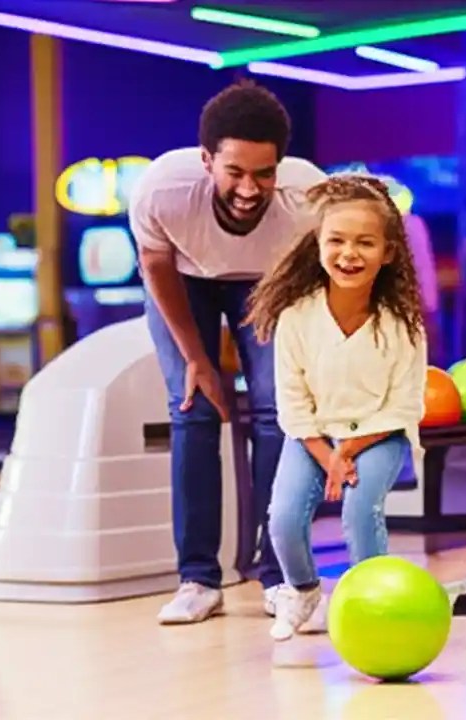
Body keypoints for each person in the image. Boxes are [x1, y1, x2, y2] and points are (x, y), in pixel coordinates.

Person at [130, 79, 327, 625]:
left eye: (264, 173)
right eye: (234, 171)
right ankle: (198, 579)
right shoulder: (162, 190)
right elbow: (157, 268)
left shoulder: (307, 197)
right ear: (206, 159)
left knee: (276, 413)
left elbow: (319, 278)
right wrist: (197, 358)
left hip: (266, 284)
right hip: (185, 280)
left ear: (280, 167)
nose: (249, 188)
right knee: (192, 410)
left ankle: (278, 574)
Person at [243, 174, 427, 640]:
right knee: (283, 519)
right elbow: (291, 401)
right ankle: (303, 591)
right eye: (337, 241)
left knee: (360, 509)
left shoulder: (401, 324)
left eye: (365, 243)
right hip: (311, 436)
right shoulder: (297, 317)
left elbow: (404, 404)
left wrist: (350, 450)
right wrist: (327, 453)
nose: (349, 254)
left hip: (378, 434)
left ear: (387, 253)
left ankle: (373, 602)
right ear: (318, 244)